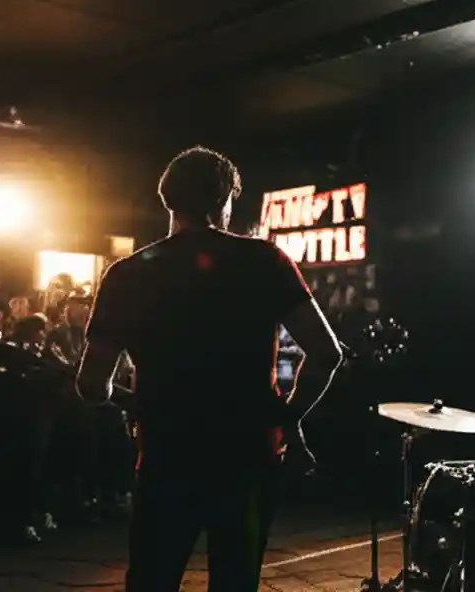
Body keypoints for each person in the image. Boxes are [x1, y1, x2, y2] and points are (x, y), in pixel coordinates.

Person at [76, 146, 343, 592]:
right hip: (247, 456)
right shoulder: (265, 261)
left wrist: (135, 401)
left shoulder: (125, 275)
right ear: (225, 201)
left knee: (152, 581)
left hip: (166, 455)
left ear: (168, 200)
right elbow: (327, 354)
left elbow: (90, 385)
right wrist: (287, 416)